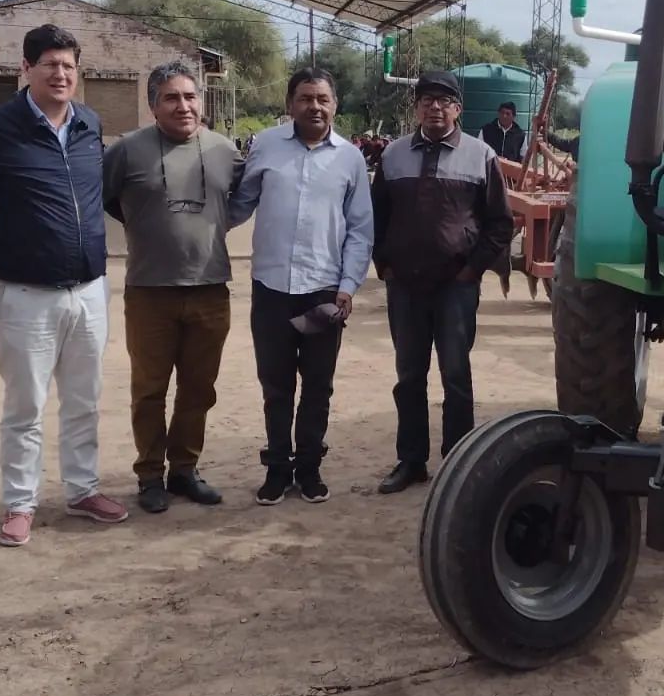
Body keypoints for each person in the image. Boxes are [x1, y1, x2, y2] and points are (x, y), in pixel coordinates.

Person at [0, 24, 128, 547]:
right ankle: (20, 502)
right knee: (25, 406)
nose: (61, 74)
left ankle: (82, 490)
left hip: (89, 289)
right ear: (25, 69)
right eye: (50, 64)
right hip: (25, 294)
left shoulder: (89, 123)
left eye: (69, 65)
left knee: (84, 400)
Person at [229, 67, 373, 506]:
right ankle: (277, 469)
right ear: (290, 104)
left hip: (324, 292)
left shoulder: (350, 159)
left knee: (317, 387)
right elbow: (240, 203)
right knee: (276, 387)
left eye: (323, 99)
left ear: (335, 106)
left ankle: (309, 469)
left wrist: (348, 284)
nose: (314, 107)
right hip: (271, 288)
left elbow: (360, 229)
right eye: (306, 98)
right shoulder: (266, 146)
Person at [104, 61, 243, 514]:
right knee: (149, 389)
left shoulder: (225, 150)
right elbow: (105, 199)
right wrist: (145, 223)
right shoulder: (126, 151)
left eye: (190, 96)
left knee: (199, 388)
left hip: (210, 288)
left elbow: (238, 200)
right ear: (153, 106)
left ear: (201, 102)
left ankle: (185, 469)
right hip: (150, 291)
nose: (183, 106)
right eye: (171, 98)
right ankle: (149, 475)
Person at [371, 71, 514, 494]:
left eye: (444, 100)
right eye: (427, 99)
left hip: (456, 286)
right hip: (405, 287)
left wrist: (472, 270)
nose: (435, 107)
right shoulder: (394, 155)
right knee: (409, 376)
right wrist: (385, 265)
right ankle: (411, 461)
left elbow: (500, 223)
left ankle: (457, 464)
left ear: (458, 109)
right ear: (416, 107)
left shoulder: (480, 155)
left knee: (456, 374)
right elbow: (375, 217)